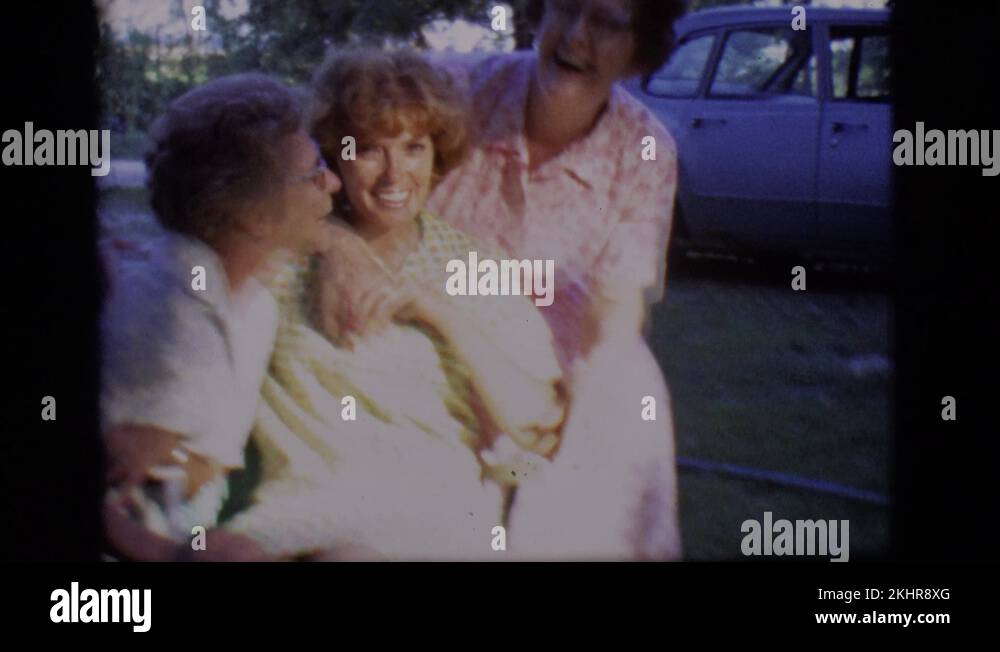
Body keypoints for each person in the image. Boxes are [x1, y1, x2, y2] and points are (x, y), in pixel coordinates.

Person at [318, 0, 688, 559]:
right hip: (421, 322)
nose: (575, 36)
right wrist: (338, 244)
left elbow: (614, 313)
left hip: (554, 356)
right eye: (567, 8)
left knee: (623, 392)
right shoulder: (456, 87)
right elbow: (315, 164)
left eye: (607, 23)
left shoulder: (645, 150)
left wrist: (569, 401)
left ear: (640, 54)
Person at [222, 48, 568, 560]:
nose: (393, 176)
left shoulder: (471, 264)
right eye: (366, 149)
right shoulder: (283, 254)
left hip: (430, 512)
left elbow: (538, 423)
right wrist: (332, 240)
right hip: (298, 513)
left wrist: (441, 312)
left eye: (413, 148)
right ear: (333, 155)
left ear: (437, 155)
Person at [100, 73, 342, 561]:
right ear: (255, 217)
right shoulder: (159, 316)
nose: (334, 182)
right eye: (314, 172)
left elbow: (200, 460)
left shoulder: (253, 304)